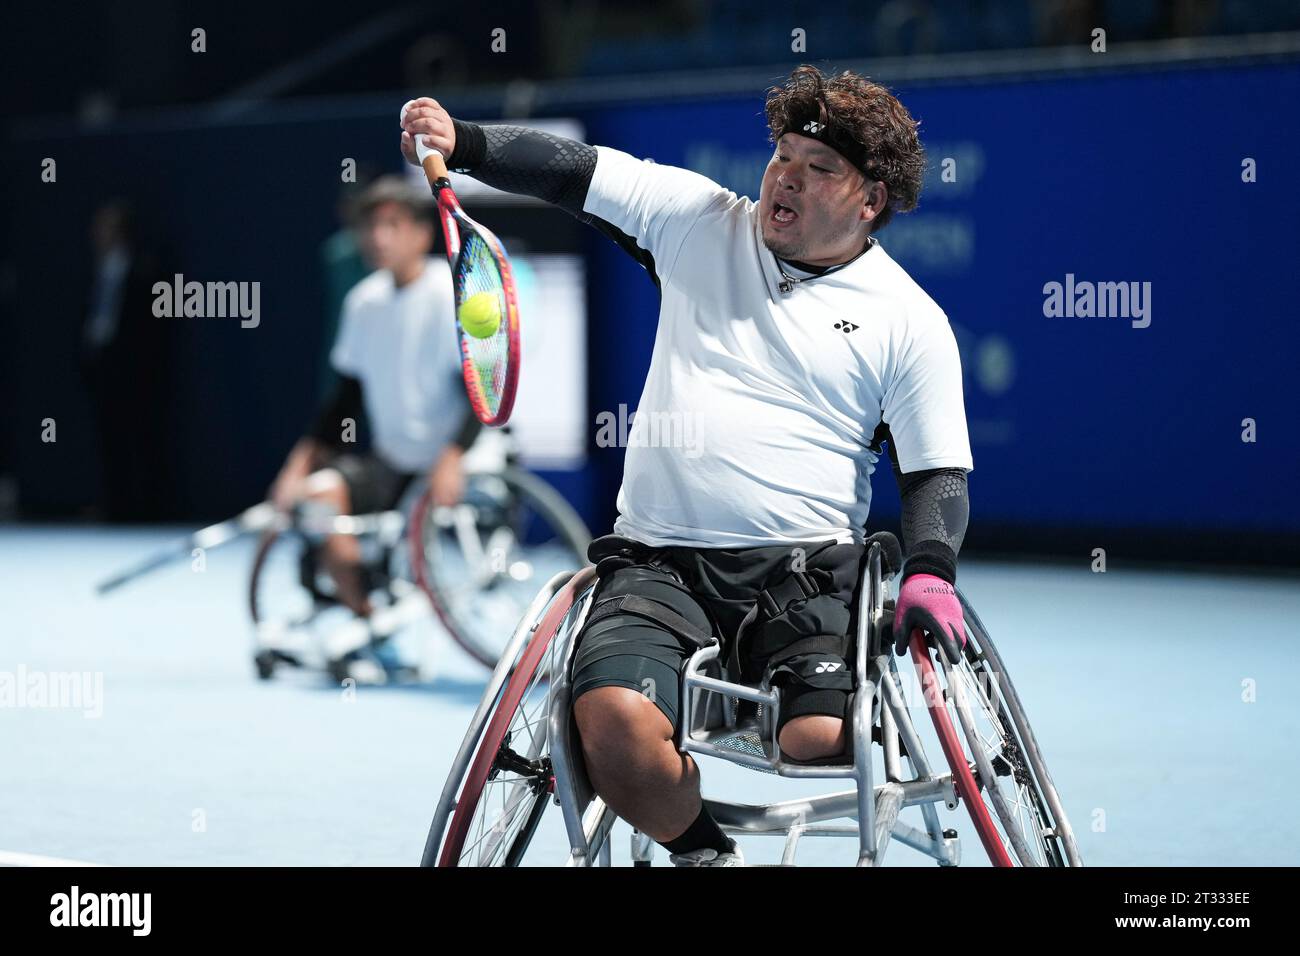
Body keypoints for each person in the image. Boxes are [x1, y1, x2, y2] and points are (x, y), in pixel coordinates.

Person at [401, 64, 972, 867]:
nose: (787, 178)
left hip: (805, 574)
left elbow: (936, 478)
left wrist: (930, 572)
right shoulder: (698, 222)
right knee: (613, 728)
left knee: (818, 738)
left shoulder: (911, 321)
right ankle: (703, 851)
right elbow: (577, 172)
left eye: (819, 170)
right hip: (656, 566)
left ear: (869, 200)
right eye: (783, 157)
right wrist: (467, 145)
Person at [269, 175, 482, 631]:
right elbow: (344, 399)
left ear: (422, 234)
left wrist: (452, 458)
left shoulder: (452, 295)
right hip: (393, 461)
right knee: (318, 499)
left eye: (392, 224)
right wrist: (296, 467)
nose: (377, 237)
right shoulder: (362, 302)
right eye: (369, 226)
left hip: (462, 458)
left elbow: (478, 393)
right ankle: (369, 621)